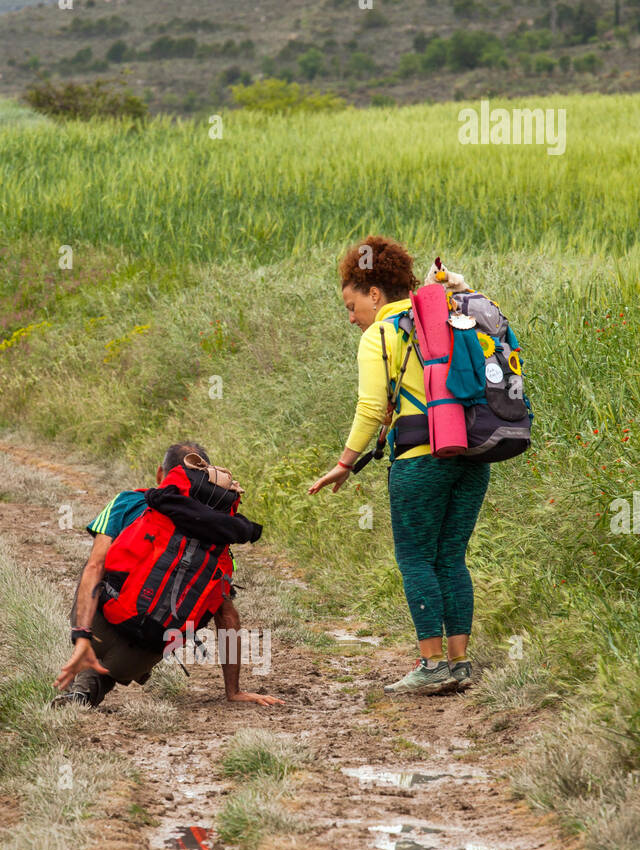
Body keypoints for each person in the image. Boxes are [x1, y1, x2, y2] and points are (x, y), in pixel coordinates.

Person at [308, 237, 489, 696]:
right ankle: (459, 663)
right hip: (473, 454)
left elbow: (371, 408)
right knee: (451, 556)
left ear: (373, 294)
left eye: (351, 305)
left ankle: (430, 665)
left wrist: (344, 463)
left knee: (414, 559)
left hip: (420, 459)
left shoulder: (380, 335)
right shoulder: (441, 315)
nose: (351, 317)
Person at [54, 442, 283, 709]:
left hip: (100, 625)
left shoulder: (128, 501)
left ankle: (81, 691)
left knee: (96, 563)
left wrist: (82, 635)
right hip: (150, 644)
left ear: (161, 474)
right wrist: (234, 690)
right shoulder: (215, 534)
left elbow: (95, 569)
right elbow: (227, 616)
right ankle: (93, 688)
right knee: (126, 658)